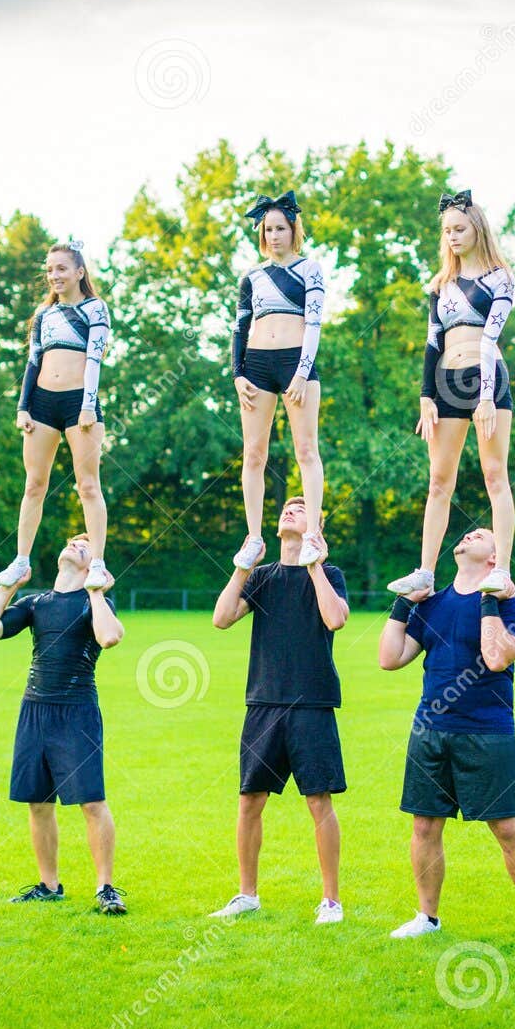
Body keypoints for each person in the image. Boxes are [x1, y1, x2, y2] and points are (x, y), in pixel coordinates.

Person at [378, 526, 515, 947]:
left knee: (507, 827)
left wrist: (488, 599)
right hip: (430, 729)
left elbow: (496, 658)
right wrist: (405, 602)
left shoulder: (510, 605)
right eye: (466, 534)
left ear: (495, 557)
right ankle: (427, 917)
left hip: (487, 732)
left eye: (480, 534)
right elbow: (389, 658)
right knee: (425, 825)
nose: (467, 536)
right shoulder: (433, 604)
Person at [210, 495, 349, 924]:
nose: (289, 509)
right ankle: (247, 895)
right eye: (287, 506)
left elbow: (335, 619)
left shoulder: (329, 574)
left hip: (312, 702)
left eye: (301, 507)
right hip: (263, 702)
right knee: (249, 801)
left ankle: (331, 901)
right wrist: (242, 566)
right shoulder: (262, 576)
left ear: (317, 526)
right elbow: (221, 618)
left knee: (319, 801)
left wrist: (314, 565)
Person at [0, 532, 128, 915]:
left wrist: (95, 590)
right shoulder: (37, 603)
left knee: (91, 802)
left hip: (76, 711)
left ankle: (106, 888)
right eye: (73, 540)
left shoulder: (95, 602)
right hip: (34, 710)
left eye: (85, 545)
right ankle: (49, 886)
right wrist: (9, 585)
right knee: (38, 803)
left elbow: (110, 637)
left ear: (95, 564)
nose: (75, 543)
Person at [388, 190, 515, 599]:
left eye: (459, 229)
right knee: (439, 481)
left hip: (487, 381)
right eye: (447, 231)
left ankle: (501, 569)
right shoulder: (440, 284)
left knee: (494, 474)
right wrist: (425, 395)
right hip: (446, 383)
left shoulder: (500, 279)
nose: (453, 237)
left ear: (477, 229)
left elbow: (490, 338)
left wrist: (486, 398)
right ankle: (425, 572)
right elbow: (432, 341)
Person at [0, 242, 113, 592]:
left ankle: (97, 563)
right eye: (49, 269)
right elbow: (33, 362)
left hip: (80, 403)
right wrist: (23, 407)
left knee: (88, 485)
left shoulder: (95, 308)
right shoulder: (44, 314)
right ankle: (21, 561)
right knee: (34, 485)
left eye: (61, 268)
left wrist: (88, 405)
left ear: (79, 272)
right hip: (42, 404)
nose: (54, 275)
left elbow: (94, 359)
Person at [230, 191, 328, 572]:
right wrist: (238, 373)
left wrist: (303, 371)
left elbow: (314, 323)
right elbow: (239, 327)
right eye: (268, 229)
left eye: (280, 229)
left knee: (306, 450)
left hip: (295, 363)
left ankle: (312, 534)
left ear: (293, 230)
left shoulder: (310, 269)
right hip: (256, 365)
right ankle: (254, 537)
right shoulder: (252, 277)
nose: (274, 236)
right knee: (254, 454)